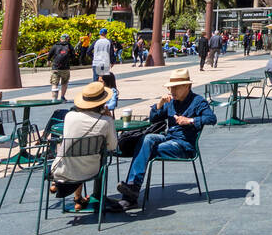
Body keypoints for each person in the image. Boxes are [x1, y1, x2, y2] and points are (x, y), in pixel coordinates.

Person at [117, 68, 217, 203]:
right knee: (146, 139)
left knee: (144, 149)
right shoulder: (171, 102)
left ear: (187, 86)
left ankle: (131, 192)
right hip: (168, 138)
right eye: (171, 88)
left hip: (183, 144)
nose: (172, 91)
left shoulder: (198, 101)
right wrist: (159, 104)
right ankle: (133, 188)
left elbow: (211, 118)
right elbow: (153, 119)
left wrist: (190, 120)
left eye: (176, 88)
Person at [50, 80, 120, 211]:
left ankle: (63, 188)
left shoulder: (69, 116)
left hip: (63, 168)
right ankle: (81, 197)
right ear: (102, 102)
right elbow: (112, 146)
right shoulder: (105, 121)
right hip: (91, 170)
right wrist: (109, 118)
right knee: (84, 160)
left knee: (76, 157)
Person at [48, 34, 76, 102]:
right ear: (67, 39)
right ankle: (62, 97)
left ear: (60, 39)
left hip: (56, 68)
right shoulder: (69, 46)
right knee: (64, 83)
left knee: (54, 83)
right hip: (65, 68)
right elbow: (73, 56)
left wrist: (48, 61)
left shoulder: (55, 46)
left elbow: (50, 54)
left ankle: (54, 98)